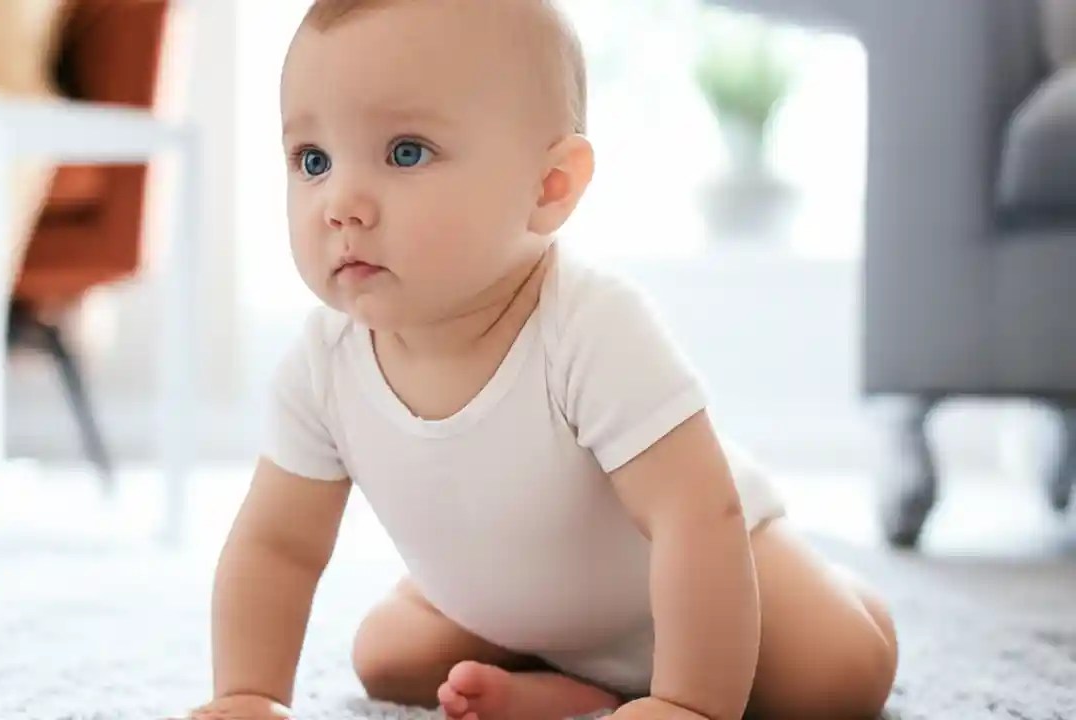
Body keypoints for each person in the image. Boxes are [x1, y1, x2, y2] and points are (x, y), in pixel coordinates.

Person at [193, 1, 898, 718]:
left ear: (549, 186)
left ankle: (816, 592)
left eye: (406, 152)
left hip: (700, 574)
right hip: (526, 614)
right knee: (387, 655)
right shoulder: (323, 365)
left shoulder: (589, 327)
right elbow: (278, 546)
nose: (339, 202)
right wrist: (248, 695)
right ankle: (574, 691)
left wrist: (690, 704)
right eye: (313, 161)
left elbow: (697, 519)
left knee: (839, 678)